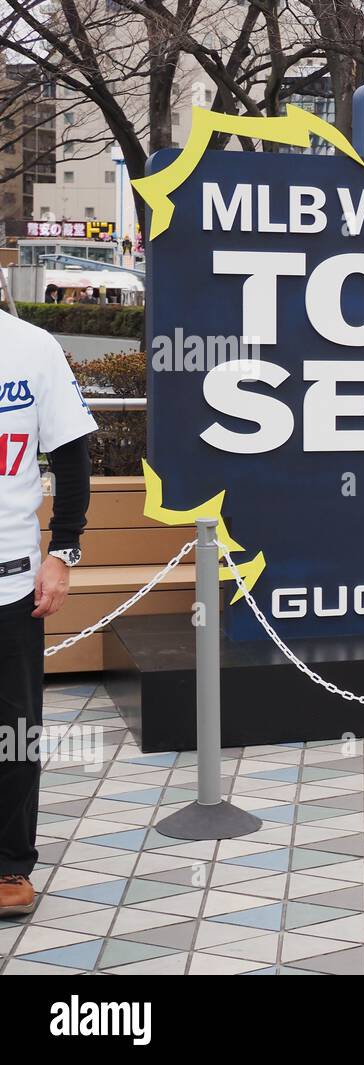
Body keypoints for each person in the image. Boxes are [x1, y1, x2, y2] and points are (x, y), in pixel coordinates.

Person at [0, 312, 96, 919]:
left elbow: (73, 457)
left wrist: (62, 554)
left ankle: (11, 862)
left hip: (11, 579)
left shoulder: (32, 347)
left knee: (13, 730)